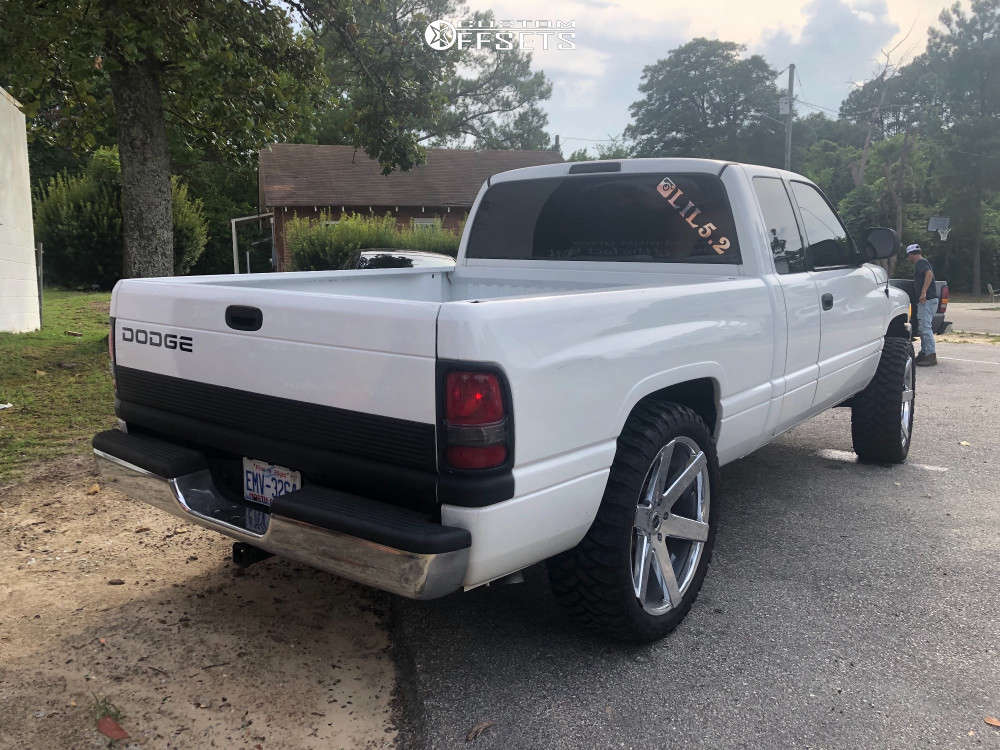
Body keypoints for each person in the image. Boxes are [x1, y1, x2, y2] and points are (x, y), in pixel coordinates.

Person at [907, 243, 938, 366]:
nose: (908, 258)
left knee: (925, 328)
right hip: (926, 301)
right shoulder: (922, 262)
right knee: (923, 328)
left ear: (911, 254)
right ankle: (924, 353)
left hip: (927, 300)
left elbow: (929, 274)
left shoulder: (921, 262)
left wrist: (923, 292)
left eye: (908, 256)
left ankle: (930, 356)